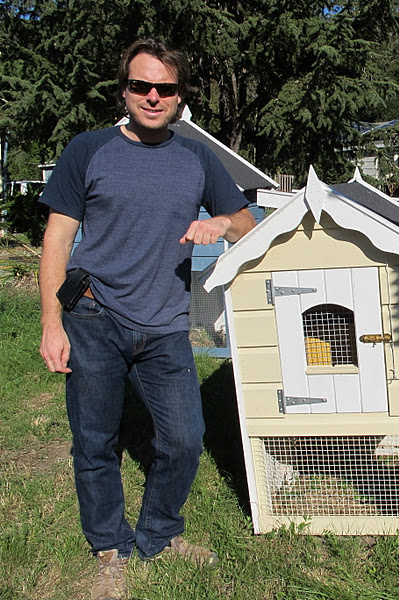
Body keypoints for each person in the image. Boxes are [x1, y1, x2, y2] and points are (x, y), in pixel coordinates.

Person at [38, 38, 256, 600]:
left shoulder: (196, 158)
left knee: (184, 439)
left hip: (164, 324)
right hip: (93, 314)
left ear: (180, 96)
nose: (153, 96)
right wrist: (51, 322)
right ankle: (109, 544)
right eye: (142, 85)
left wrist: (220, 227)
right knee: (95, 439)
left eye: (165, 87)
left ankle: (158, 533)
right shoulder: (89, 149)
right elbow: (58, 238)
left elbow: (246, 224)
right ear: (125, 89)